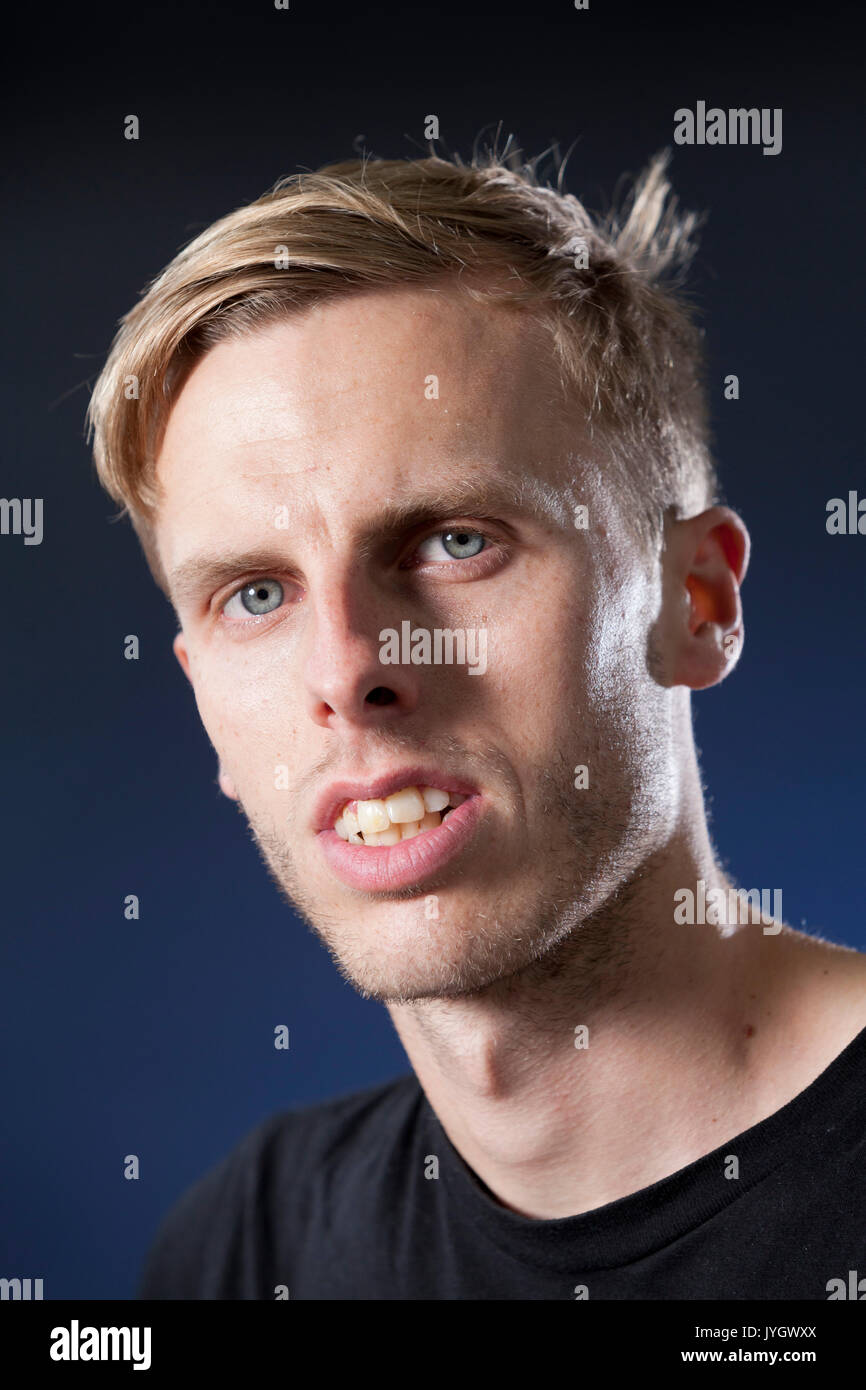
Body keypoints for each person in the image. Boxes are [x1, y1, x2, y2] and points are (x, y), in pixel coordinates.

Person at [86, 146, 866, 1299]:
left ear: (692, 601)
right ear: (205, 699)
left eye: (454, 541)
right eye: (256, 593)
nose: (350, 667)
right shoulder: (245, 1252)